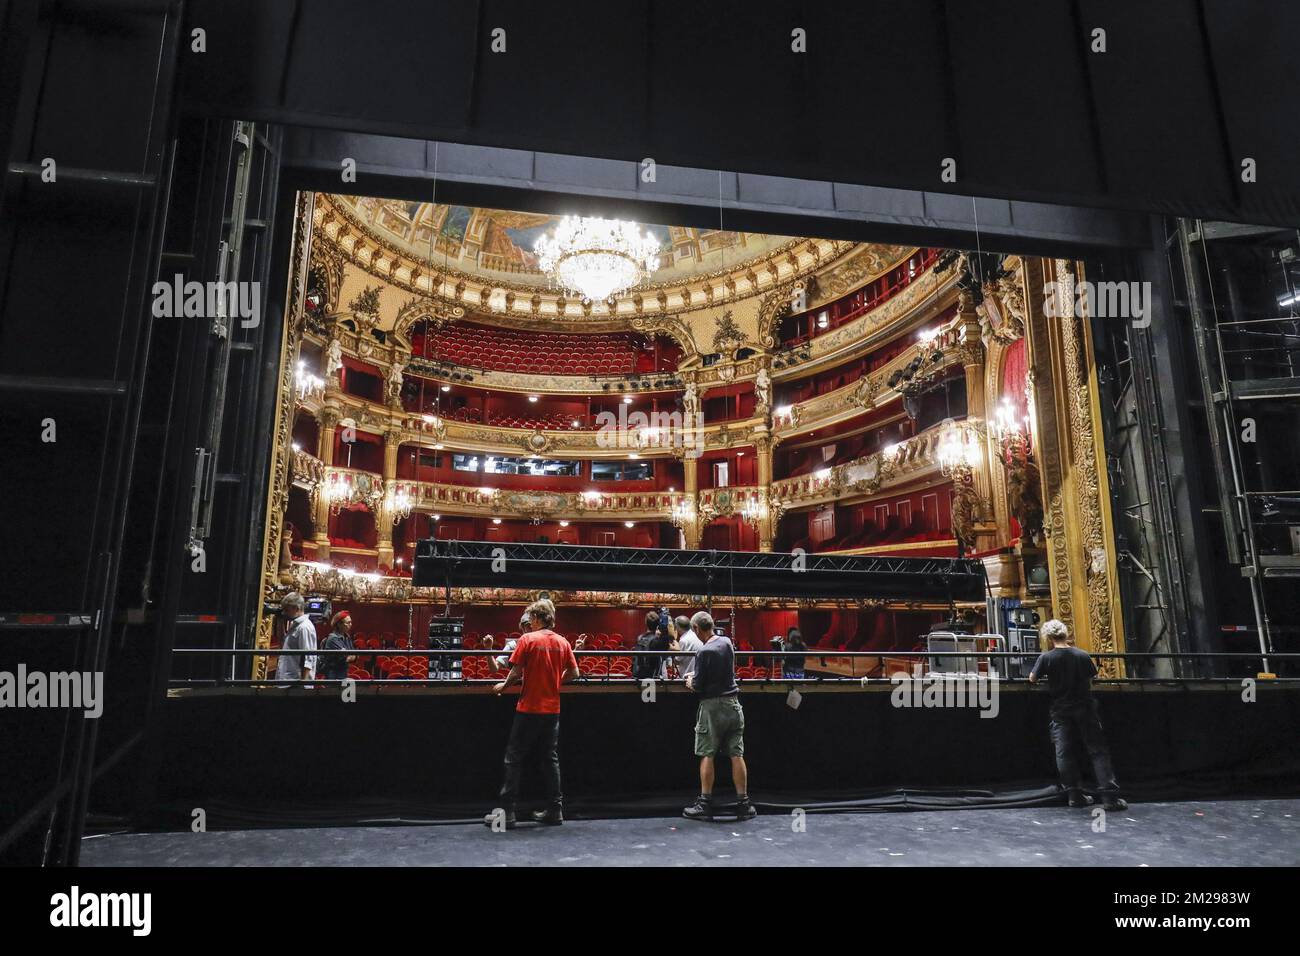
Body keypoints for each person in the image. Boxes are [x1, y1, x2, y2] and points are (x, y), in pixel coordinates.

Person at [486, 598, 581, 829]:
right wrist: (555, 682)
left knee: (514, 758)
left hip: (529, 708)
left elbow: (516, 671)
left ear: (537, 618)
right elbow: (575, 672)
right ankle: (555, 810)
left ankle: (507, 813)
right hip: (552, 710)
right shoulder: (563, 642)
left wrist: (503, 687)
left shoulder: (527, 639)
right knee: (550, 758)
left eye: (531, 618)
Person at [1028, 619, 1127, 811]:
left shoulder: (1046, 658)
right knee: (1097, 751)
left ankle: (1074, 795)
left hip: (1061, 710)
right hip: (1085, 708)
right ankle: (1109, 797)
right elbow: (1093, 676)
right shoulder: (1082, 655)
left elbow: (1032, 678)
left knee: (1064, 753)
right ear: (1066, 634)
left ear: (1048, 637)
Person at [682, 611, 756, 822]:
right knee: (736, 753)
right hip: (733, 704)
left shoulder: (703, 652)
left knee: (708, 753)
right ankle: (744, 804)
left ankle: (705, 804)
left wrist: (689, 681)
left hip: (712, 707)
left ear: (696, 629)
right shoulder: (727, 643)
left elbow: (697, 686)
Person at [274, 592, 317, 682]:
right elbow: (283, 644)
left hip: (295, 683)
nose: (284, 613)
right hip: (288, 680)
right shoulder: (296, 625)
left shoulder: (304, 627)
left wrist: (302, 684)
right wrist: (280, 621)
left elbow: (307, 658)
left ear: (296, 608)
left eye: (287, 610)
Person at [632, 610, 671, 681]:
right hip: (652, 676)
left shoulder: (639, 638)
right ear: (657, 624)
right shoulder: (656, 641)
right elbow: (666, 646)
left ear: (645, 623)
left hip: (638, 675)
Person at [319, 610, 356, 681]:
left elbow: (355, 656)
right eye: (348, 623)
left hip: (342, 672)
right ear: (339, 624)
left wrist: (349, 656)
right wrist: (348, 657)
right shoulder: (333, 638)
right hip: (333, 674)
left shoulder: (347, 637)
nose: (350, 624)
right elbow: (346, 657)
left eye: (351, 622)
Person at [671, 614, 703, 681]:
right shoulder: (695, 634)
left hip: (688, 676)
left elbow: (677, 661)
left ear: (677, 627)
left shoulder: (684, 640)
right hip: (698, 673)